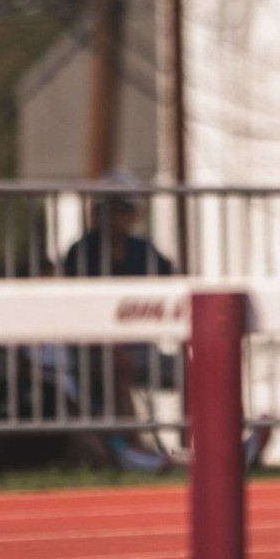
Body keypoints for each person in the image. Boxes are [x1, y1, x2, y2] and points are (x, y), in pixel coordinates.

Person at [62, 175, 177, 473]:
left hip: (141, 349)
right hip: (92, 353)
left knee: (198, 367)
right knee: (116, 364)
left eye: (122, 209)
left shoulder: (145, 252)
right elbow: (77, 309)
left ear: (134, 214)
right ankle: (136, 451)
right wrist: (111, 344)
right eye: (108, 208)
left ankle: (205, 446)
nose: (115, 216)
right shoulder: (81, 253)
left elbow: (175, 289)